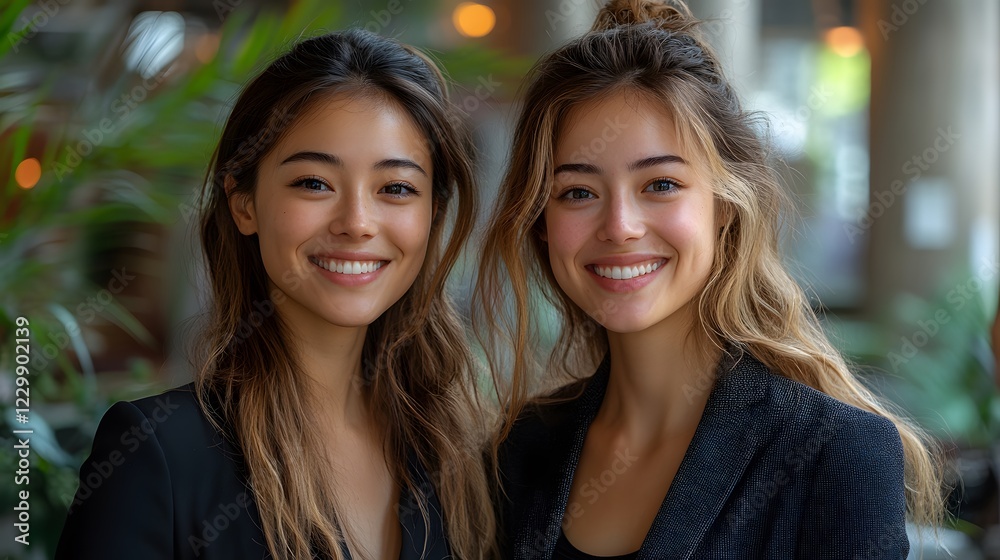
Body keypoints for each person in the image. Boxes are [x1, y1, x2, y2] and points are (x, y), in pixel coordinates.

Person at [476, 1, 945, 558]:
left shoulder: (834, 454)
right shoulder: (520, 450)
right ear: (541, 222)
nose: (620, 226)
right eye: (578, 192)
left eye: (661, 184)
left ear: (724, 204)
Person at [57, 29, 495, 560]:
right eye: (314, 183)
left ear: (433, 214)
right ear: (243, 204)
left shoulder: (458, 458)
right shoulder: (156, 452)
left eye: (396, 188)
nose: (357, 222)